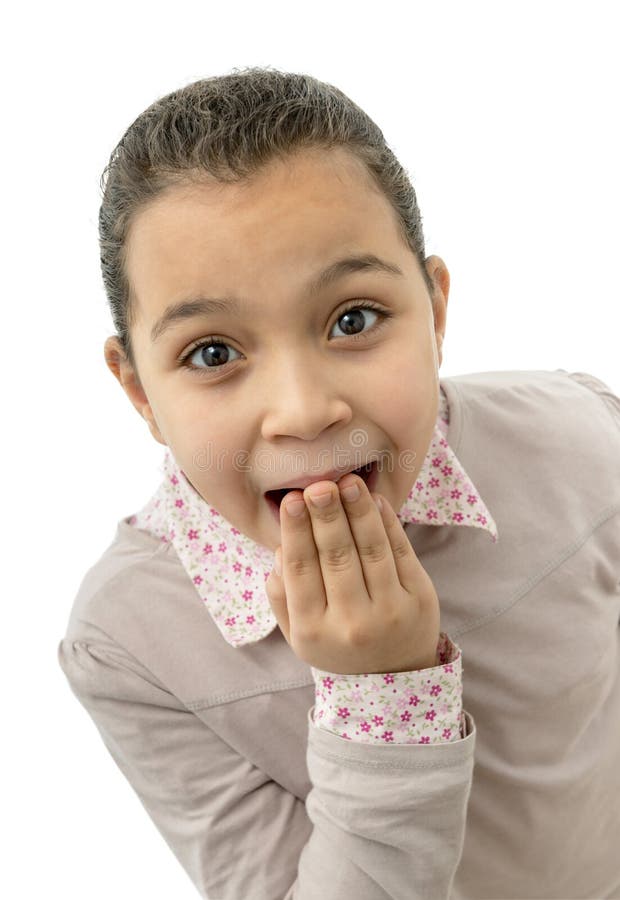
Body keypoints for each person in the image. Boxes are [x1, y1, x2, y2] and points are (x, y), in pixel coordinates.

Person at [57, 67, 620, 900]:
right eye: (214, 353)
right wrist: (383, 694)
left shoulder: (583, 437)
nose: (303, 411)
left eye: (352, 320)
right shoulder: (129, 639)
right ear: (140, 390)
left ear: (433, 311)